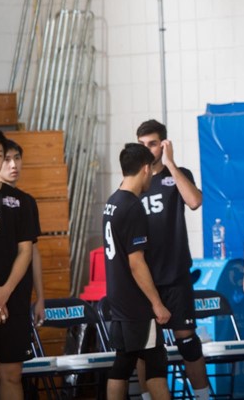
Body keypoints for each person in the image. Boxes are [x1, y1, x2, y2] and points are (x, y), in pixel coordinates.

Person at [136, 119, 211, 400]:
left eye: (153, 143)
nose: (147, 149)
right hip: (144, 278)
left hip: (176, 274)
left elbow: (194, 201)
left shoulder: (177, 174)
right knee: (147, 348)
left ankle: (203, 396)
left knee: (189, 343)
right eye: (142, 144)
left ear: (163, 144)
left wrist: (171, 163)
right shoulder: (132, 182)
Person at [103, 143, 172, 400]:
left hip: (119, 300)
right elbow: (136, 262)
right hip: (136, 304)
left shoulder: (113, 201)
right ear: (145, 169)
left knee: (123, 363)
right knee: (155, 364)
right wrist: (156, 303)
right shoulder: (133, 206)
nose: (153, 177)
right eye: (152, 171)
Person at [0, 139, 46, 399]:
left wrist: (40, 297)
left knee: (9, 370)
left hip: (15, 299)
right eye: (5, 158)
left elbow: (31, 252)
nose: (12, 164)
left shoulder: (25, 202)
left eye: (15, 158)